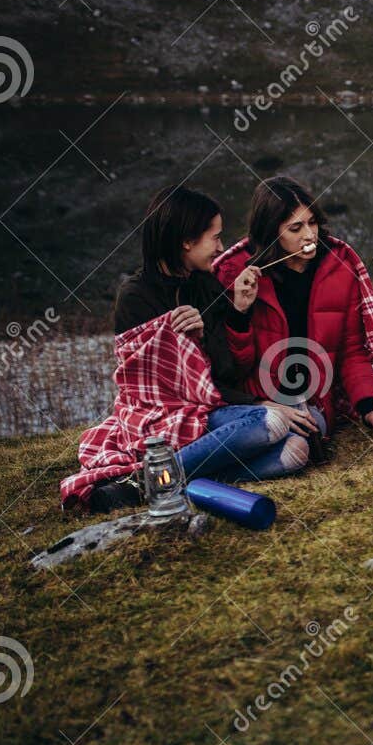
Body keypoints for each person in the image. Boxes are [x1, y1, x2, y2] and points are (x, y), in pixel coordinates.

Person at [72, 186, 314, 513]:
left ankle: (169, 483)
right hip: (162, 416)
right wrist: (182, 345)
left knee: (296, 450)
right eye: (215, 238)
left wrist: (238, 312)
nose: (221, 247)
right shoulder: (135, 296)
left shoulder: (204, 284)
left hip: (207, 409)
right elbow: (152, 387)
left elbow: (226, 373)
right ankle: (143, 481)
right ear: (187, 241)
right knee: (269, 421)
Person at [213, 176, 373, 446]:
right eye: (295, 228)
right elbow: (229, 369)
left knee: (310, 433)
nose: (309, 235)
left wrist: (368, 407)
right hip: (259, 400)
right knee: (292, 437)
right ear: (271, 232)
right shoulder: (235, 273)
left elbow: (352, 351)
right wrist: (239, 312)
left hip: (316, 397)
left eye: (313, 222)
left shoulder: (338, 266)